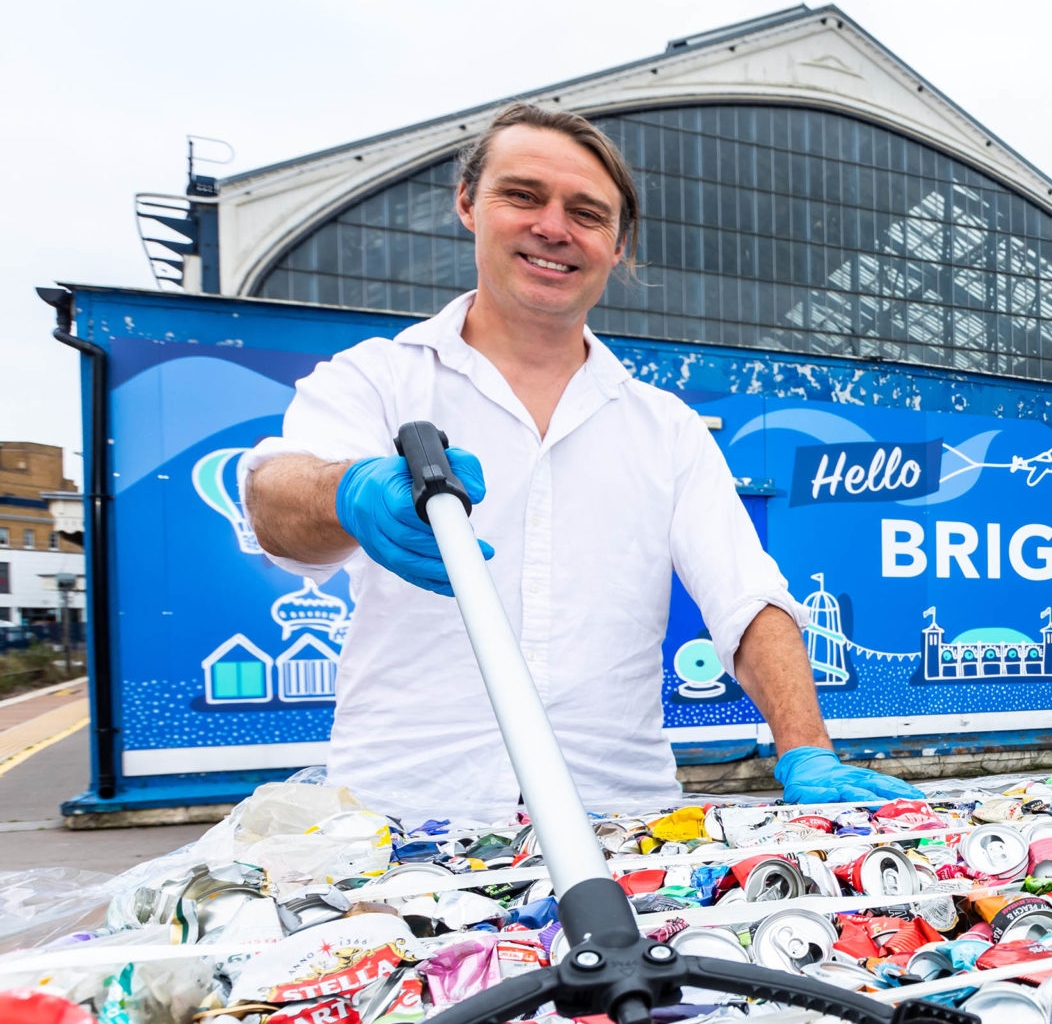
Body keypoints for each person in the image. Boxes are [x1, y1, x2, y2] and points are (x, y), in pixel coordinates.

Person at [244, 102, 913, 818]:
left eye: (587, 214)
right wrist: (347, 492)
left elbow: (747, 599)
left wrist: (805, 746)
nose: (553, 229)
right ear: (468, 204)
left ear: (618, 246)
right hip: (402, 818)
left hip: (623, 824)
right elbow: (275, 501)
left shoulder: (665, 428)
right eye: (523, 196)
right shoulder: (378, 379)